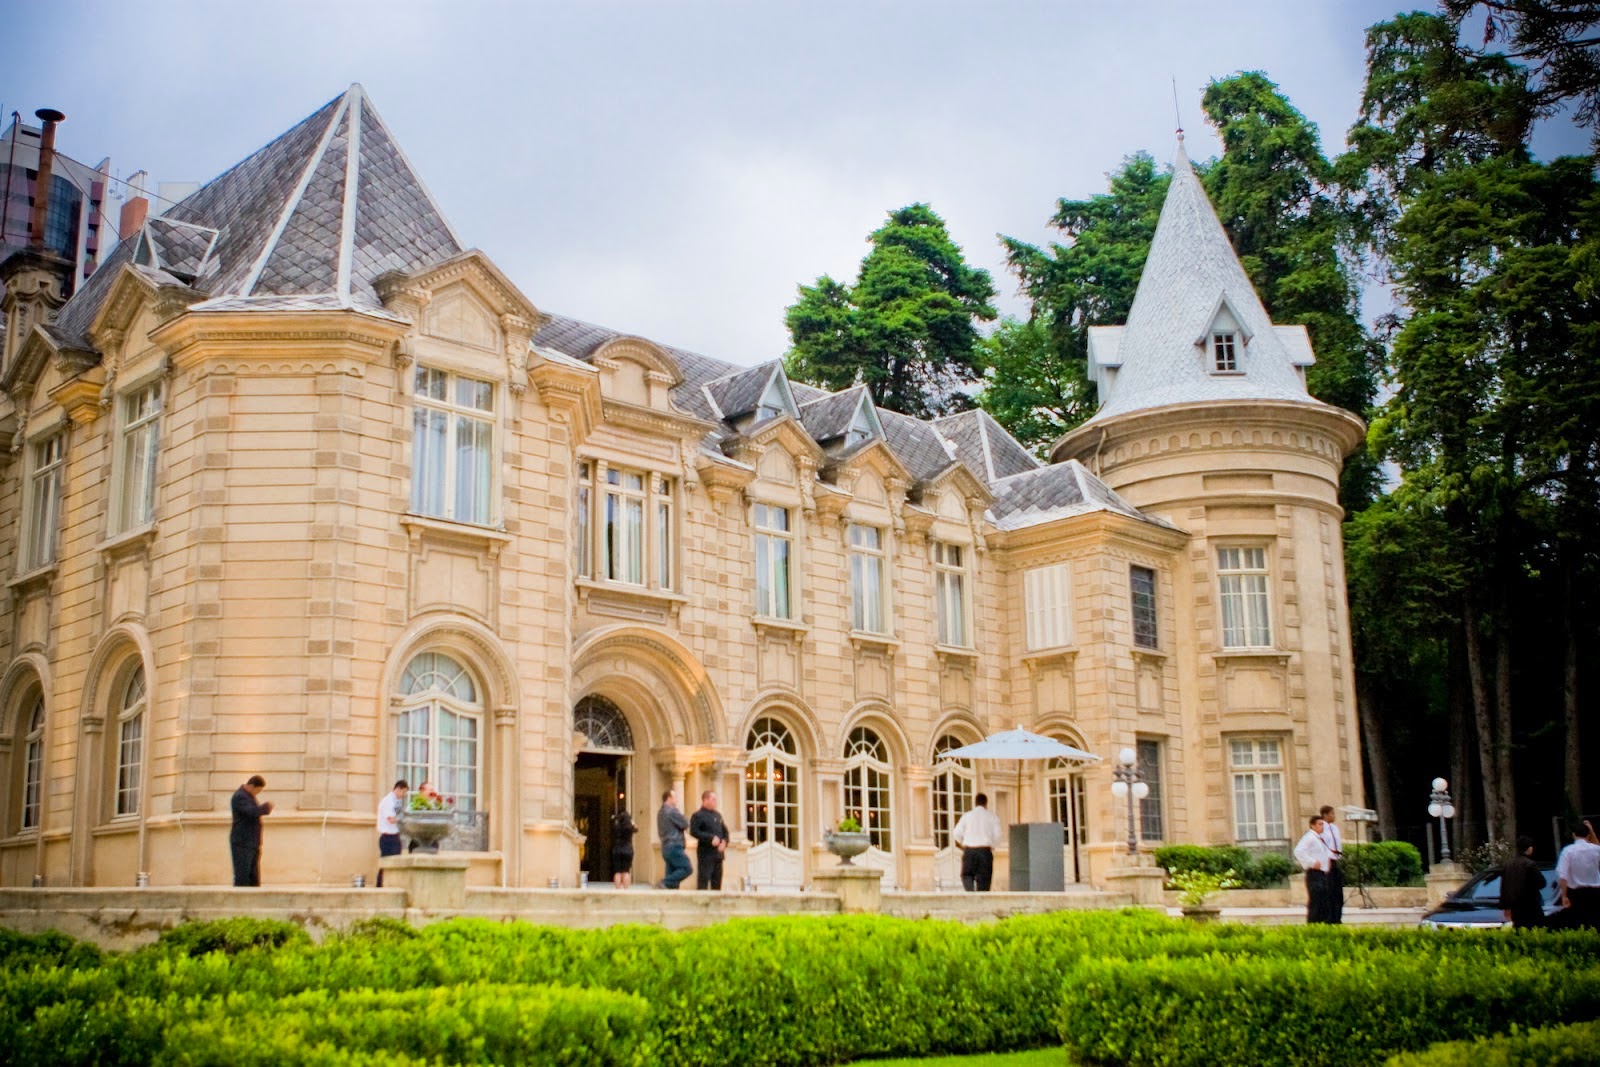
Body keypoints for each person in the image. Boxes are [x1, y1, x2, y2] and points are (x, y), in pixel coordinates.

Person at [951, 792, 1003, 892]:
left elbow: (956, 833)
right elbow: (998, 835)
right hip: (985, 851)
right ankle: (982, 902)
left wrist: (963, 843)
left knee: (966, 875)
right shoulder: (992, 817)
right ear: (986, 804)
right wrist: (993, 845)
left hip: (970, 850)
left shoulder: (967, 816)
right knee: (984, 879)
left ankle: (970, 895)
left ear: (975, 803)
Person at [1555, 819, 1600, 930]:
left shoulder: (1568, 851)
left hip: (1576, 894)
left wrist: (1564, 895)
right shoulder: (1596, 849)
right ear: (1588, 835)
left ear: (1573, 834)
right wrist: (1592, 832)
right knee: (1596, 923)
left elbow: (1563, 876)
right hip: (1595, 892)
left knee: (1578, 924)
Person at [229, 775, 274, 887]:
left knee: (253, 876)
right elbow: (251, 812)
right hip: (242, 842)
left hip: (252, 842)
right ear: (251, 786)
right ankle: (240, 901)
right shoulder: (240, 796)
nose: (257, 793)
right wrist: (266, 808)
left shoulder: (248, 796)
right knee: (243, 875)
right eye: (257, 790)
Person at [1294, 814, 1333, 924]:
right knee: (1316, 902)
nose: (1322, 826)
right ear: (1313, 825)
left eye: (1322, 824)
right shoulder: (1309, 837)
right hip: (1314, 874)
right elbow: (1298, 851)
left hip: (1321, 873)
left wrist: (1326, 864)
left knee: (1323, 901)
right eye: (1319, 824)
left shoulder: (1319, 838)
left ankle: (1322, 924)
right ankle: (1313, 925)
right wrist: (1312, 862)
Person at [1501, 835, 1546, 930]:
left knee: (1519, 930)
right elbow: (1541, 883)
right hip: (1531, 905)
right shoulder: (1530, 865)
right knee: (1536, 929)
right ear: (1529, 848)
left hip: (1515, 907)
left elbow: (1504, 886)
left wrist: (1505, 906)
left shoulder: (1508, 865)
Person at [689, 790, 729, 891]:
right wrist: (710, 838)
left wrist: (724, 842)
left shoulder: (718, 815)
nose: (715, 802)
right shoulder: (698, 815)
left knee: (717, 882)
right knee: (703, 881)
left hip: (718, 855)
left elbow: (725, 831)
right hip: (705, 854)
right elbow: (694, 831)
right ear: (705, 799)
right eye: (713, 799)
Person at [656, 789, 692, 889]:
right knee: (686, 868)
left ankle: (668, 892)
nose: (676, 800)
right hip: (674, 846)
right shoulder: (672, 811)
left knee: (673, 880)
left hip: (665, 847)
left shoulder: (660, 812)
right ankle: (664, 882)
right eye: (675, 797)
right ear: (669, 798)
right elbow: (685, 823)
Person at [375, 779, 408, 887]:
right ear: (398, 789)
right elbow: (391, 819)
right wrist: (403, 819)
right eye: (403, 792)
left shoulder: (394, 801)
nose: (403, 795)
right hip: (388, 838)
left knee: (394, 863)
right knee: (387, 863)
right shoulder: (388, 801)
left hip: (393, 836)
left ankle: (390, 885)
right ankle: (381, 886)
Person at [1318, 805, 1345, 925]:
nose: (1334, 816)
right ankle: (1329, 919)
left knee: (1338, 892)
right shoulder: (1322, 828)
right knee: (1329, 892)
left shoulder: (1334, 828)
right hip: (1327, 862)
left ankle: (1337, 918)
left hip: (1335, 861)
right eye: (1331, 814)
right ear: (1325, 815)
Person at [611, 801, 638, 889]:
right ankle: (626, 890)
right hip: (627, 850)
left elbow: (612, 828)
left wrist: (616, 819)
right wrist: (632, 822)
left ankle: (617, 890)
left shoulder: (617, 826)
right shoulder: (629, 827)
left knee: (618, 872)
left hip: (617, 849)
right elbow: (636, 829)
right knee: (626, 871)